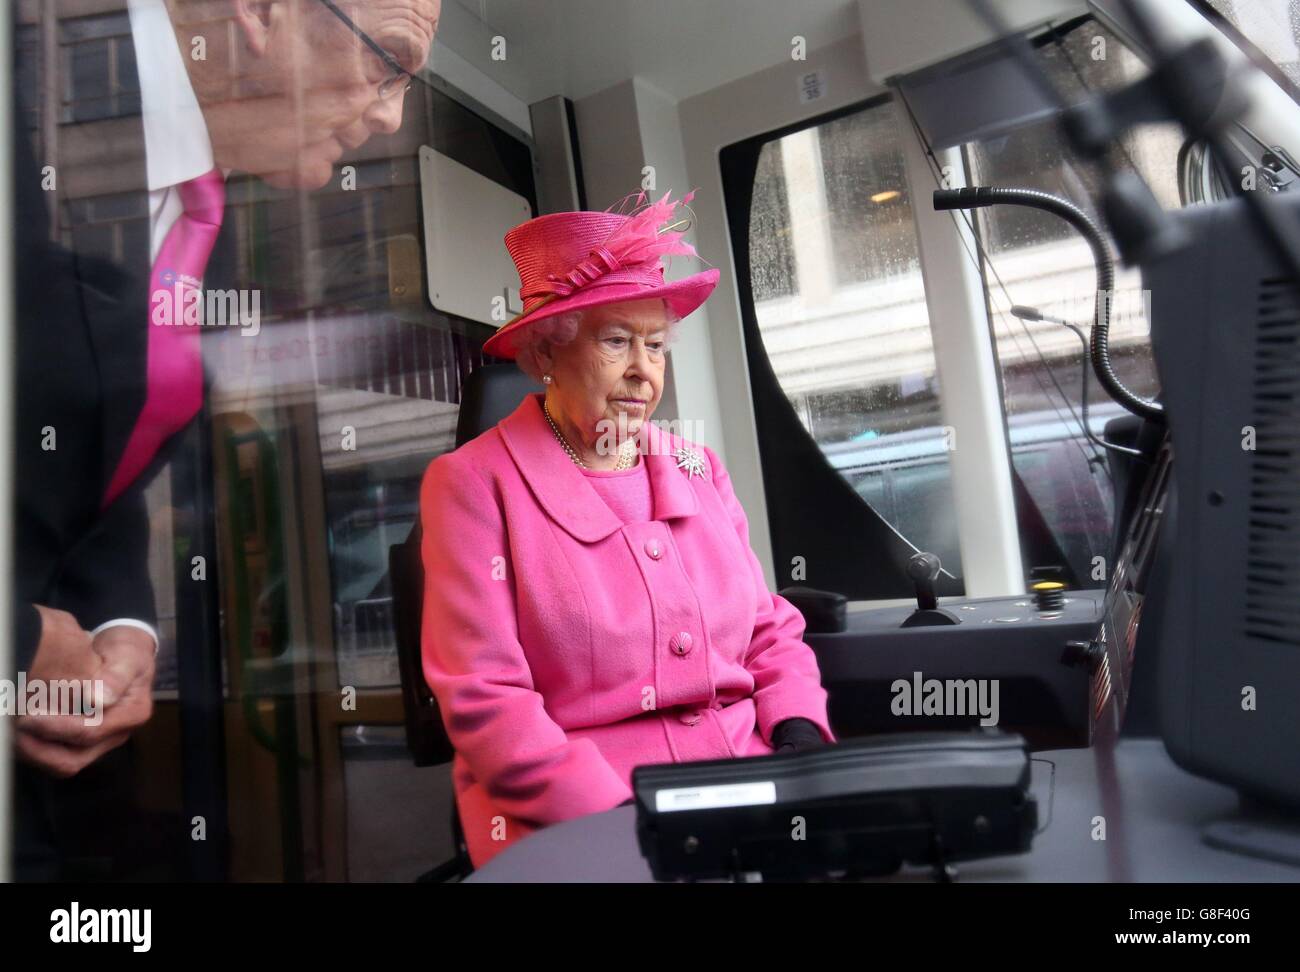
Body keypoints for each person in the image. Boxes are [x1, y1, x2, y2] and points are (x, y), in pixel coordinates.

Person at [11, 0, 441, 879]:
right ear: (259, 10)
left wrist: (123, 622)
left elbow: (90, 462)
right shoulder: (31, 78)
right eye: (390, 59)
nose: (394, 113)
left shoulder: (215, 203)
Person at [419, 192, 836, 869]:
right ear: (544, 352)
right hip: (577, 817)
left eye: (656, 346)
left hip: (746, 784)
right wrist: (623, 828)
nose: (646, 373)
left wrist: (797, 733)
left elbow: (769, 631)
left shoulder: (698, 467)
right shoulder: (471, 484)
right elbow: (484, 699)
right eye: (617, 341)